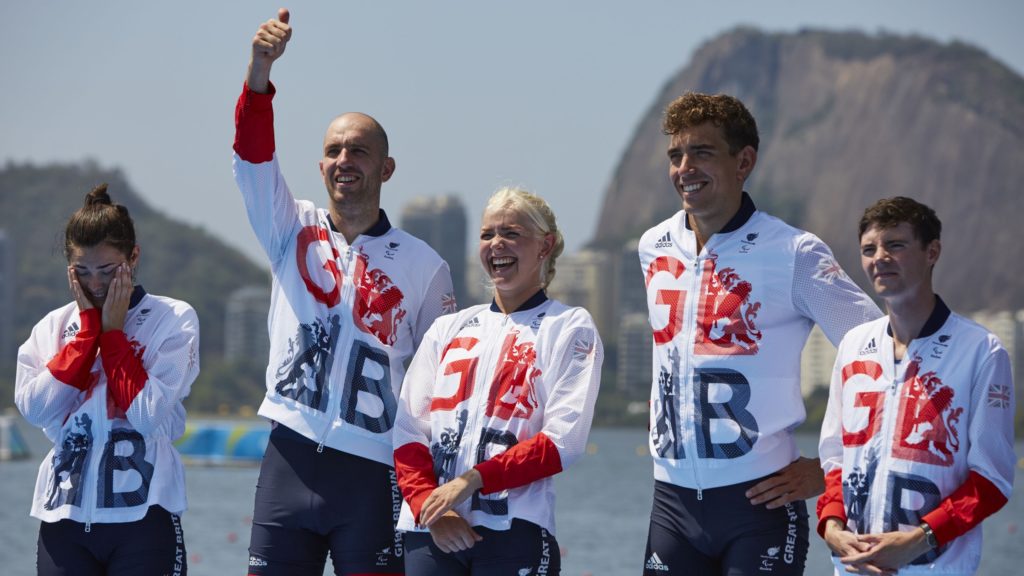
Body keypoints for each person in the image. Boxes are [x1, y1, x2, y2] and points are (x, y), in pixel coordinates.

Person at [233, 8, 456, 576]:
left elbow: (439, 387)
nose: (343, 161)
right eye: (334, 151)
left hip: (373, 472)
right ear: (321, 165)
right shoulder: (291, 227)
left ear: (387, 167)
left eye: (358, 150)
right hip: (290, 456)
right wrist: (260, 72)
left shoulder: (426, 267)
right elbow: (253, 159)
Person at [638, 92, 883, 575]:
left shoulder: (795, 251)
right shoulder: (653, 245)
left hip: (760, 504)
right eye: (675, 155)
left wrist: (831, 468)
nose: (685, 167)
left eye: (702, 153)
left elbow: (881, 356)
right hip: (670, 504)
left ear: (744, 161)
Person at [392, 187, 603, 575]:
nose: (496, 244)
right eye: (487, 234)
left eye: (511, 233)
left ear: (545, 246)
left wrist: (472, 481)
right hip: (433, 533)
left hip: (514, 529)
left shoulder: (571, 327)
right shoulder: (446, 328)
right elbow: (408, 430)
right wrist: (427, 505)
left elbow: (563, 442)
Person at [817, 197, 1015, 575]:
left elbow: (992, 479)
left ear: (932, 252)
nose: (879, 258)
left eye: (896, 245)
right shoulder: (853, 346)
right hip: (852, 568)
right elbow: (835, 459)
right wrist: (832, 527)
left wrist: (918, 541)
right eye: (869, 249)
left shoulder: (981, 351)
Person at [15, 184, 200, 576]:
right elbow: (33, 408)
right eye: (82, 272)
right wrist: (86, 336)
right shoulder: (53, 326)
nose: (95, 285)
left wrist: (113, 336)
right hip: (63, 517)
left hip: (144, 515)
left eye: (108, 271)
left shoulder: (174, 318)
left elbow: (149, 415)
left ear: (133, 256)